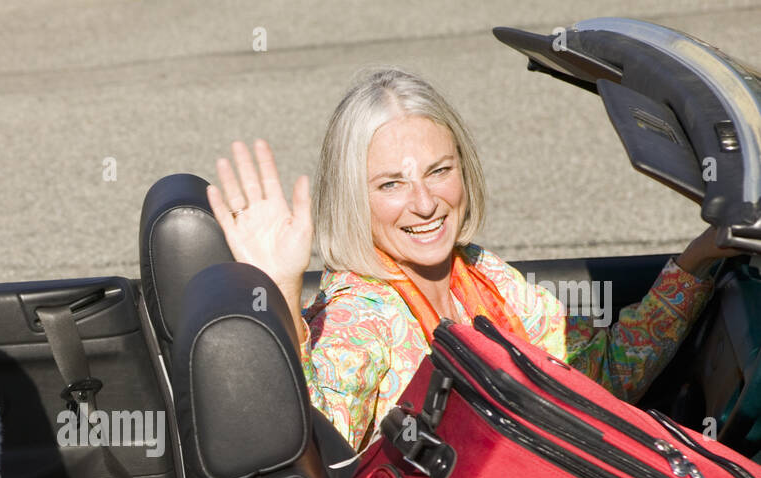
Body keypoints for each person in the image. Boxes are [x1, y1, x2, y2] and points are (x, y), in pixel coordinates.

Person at [207, 67, 735, 451]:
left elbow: (594, 376)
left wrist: (700, 257)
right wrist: (278, 286)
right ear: (351, 198)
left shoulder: (479, 272)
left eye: (438, 171)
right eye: (391, 184)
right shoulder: (362, 315)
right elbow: (318, 446)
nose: (424, 202)